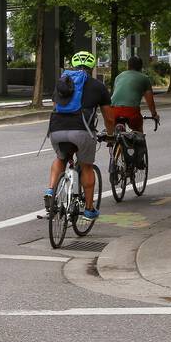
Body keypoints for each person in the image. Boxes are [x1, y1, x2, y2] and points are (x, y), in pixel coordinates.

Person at [44, 50, 111, 220]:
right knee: (86, 166)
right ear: (92, 67)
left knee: (61, 159)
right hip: (82, 131)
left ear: (72, 65)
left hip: (57, 130)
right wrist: (110, 135)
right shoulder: (98, 86)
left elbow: (55, 106)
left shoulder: (62, 83)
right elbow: (109, 117)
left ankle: (50, 190)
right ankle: (89, 210)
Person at [109, 55, 159, 165]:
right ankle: (139, 160)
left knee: (117, 135)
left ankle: (114, 159)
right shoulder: (144, 78)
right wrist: (154, 114)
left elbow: (115, 95)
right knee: (138, 132)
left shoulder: (118, 77)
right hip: (131, 111)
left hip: (113, 110)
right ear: (141, 67)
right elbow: (149, 100)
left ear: (128, 66)